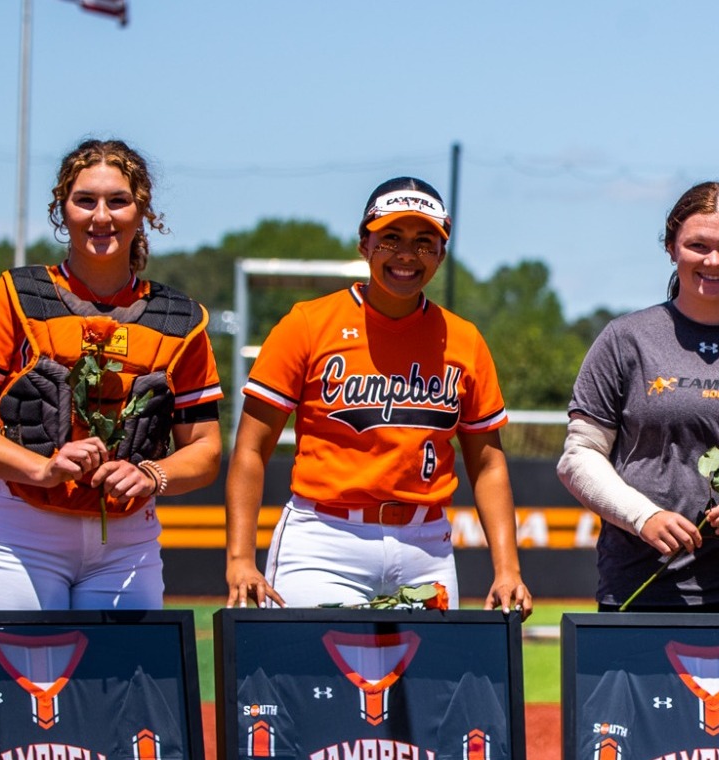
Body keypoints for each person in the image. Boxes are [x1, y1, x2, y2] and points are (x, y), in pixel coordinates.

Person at [0, 139, 222, 610]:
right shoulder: (16, 296)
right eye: (85, 200)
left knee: (121, 662)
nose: (101, 216)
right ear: (61, 210)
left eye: (118, 201)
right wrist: (41, 468)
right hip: (22, 526)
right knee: (19, 660)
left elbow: (206, 450)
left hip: (126, 538)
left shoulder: (180, 319)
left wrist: (153, 474)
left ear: (142, 210)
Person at [224, 178, 530, 614]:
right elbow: (251, 448)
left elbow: (488, 464)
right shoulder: (307, 324)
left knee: (426, 664)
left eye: (424, 242)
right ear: (363, 245)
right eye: (391, 238)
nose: (406, 254)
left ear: (441, 255)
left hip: (426, 546)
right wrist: (239, 558)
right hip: (324, 539)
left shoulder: (464, 340)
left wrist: (507, 569)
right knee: (317, 661)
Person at [557, 182, 719, 612]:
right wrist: (642, 517)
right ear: (671, 247)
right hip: (638, 587)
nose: (714, 261)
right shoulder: (625, 339)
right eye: (698, 245)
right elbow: (579, 457)